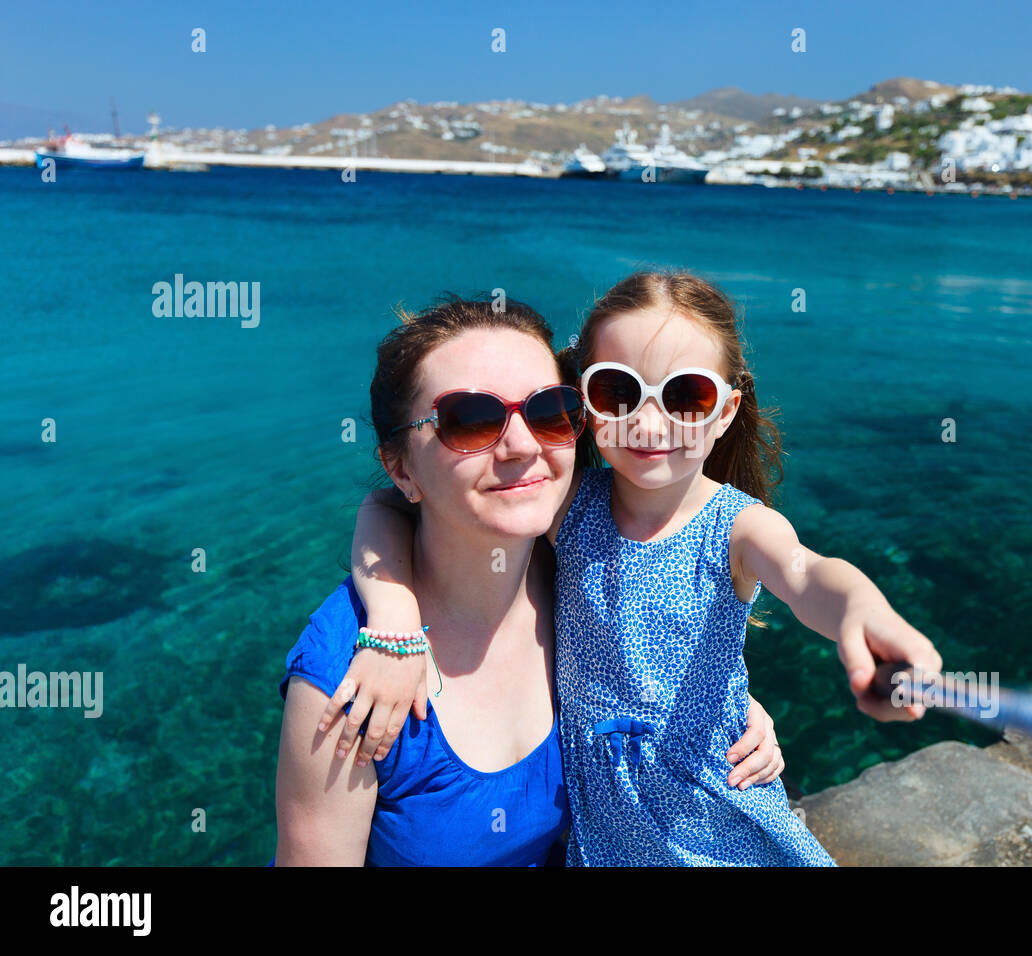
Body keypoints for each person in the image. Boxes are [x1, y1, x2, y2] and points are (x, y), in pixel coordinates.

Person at [339, 271, 943, 865]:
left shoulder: (737, 528)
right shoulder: (568, 505)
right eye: (618, 393)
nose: (650, 424)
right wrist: (393, 611)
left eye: (685, 397)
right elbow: (388, 504)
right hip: (608, 840)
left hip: (714, 825)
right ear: (585, 405)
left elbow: (808, 575)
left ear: (727, 411)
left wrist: (862, 613)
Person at [274, 295, 784, 866]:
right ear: (400, 467)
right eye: (469, 419)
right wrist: (391, 622)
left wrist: (715, 702)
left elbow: (645, 665)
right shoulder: (350, 679)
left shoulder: (579, 572)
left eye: (548, 410)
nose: (522, 445)